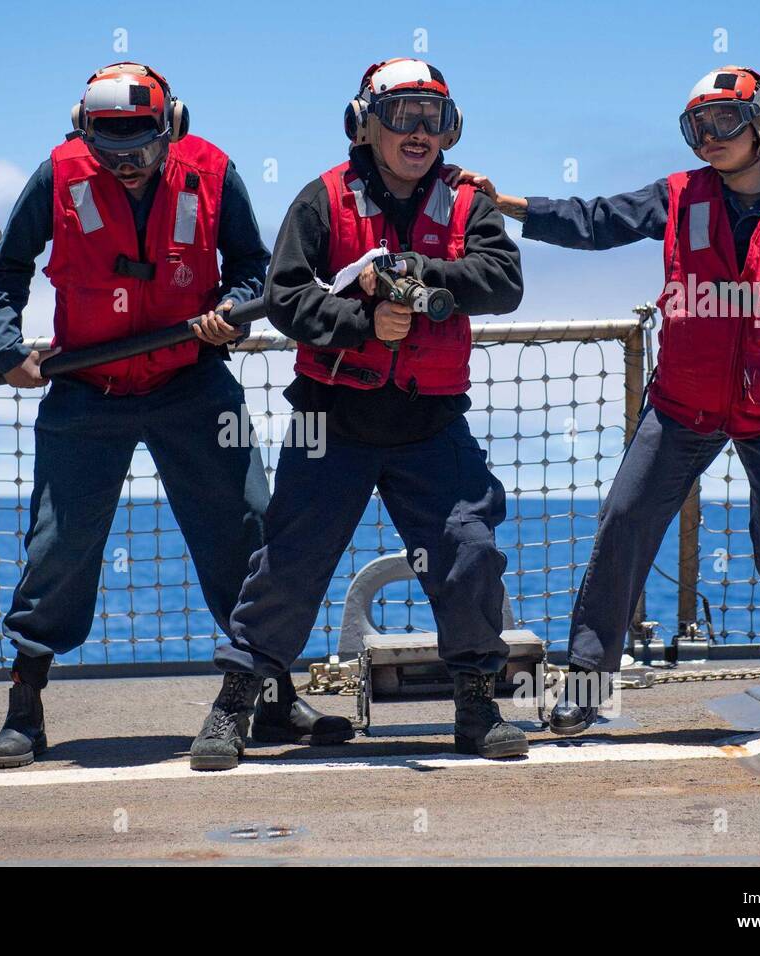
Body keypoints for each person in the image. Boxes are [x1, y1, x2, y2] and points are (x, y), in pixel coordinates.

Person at [459, 66, 760, 736]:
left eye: (725, 123)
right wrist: (508, 204)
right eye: (699, 126)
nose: (709, 138)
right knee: (623, 520)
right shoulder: (678, 196)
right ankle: (589, 687)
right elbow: (595, 221)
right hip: (684, 402)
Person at [0, 62, 353, 768]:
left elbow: (255, 267)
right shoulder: (57, 175)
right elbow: (5, 272)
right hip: (87, 386)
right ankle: (24, 709)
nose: (125, 163)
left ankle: (269, 694)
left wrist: (231, 317)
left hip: (191, 381)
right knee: (56, 544)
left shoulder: (214, 173)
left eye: (141, 146)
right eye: (108, 147)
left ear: (171, 126)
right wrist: (6, 349)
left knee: (248, 525)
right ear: (82, 130)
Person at [189, 57, 527, 771]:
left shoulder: (469, 204)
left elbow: (503, 283)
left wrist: (416, 274)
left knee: (470, 552)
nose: (417, 130)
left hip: (429, 424)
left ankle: (476, 701)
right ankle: (236, 704)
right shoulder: (321, 200)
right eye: (401, 114)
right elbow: (284, 297)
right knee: (288, 564)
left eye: (431, 117)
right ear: (364, 123)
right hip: (331, 420)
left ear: (450, 127)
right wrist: (363, 322)